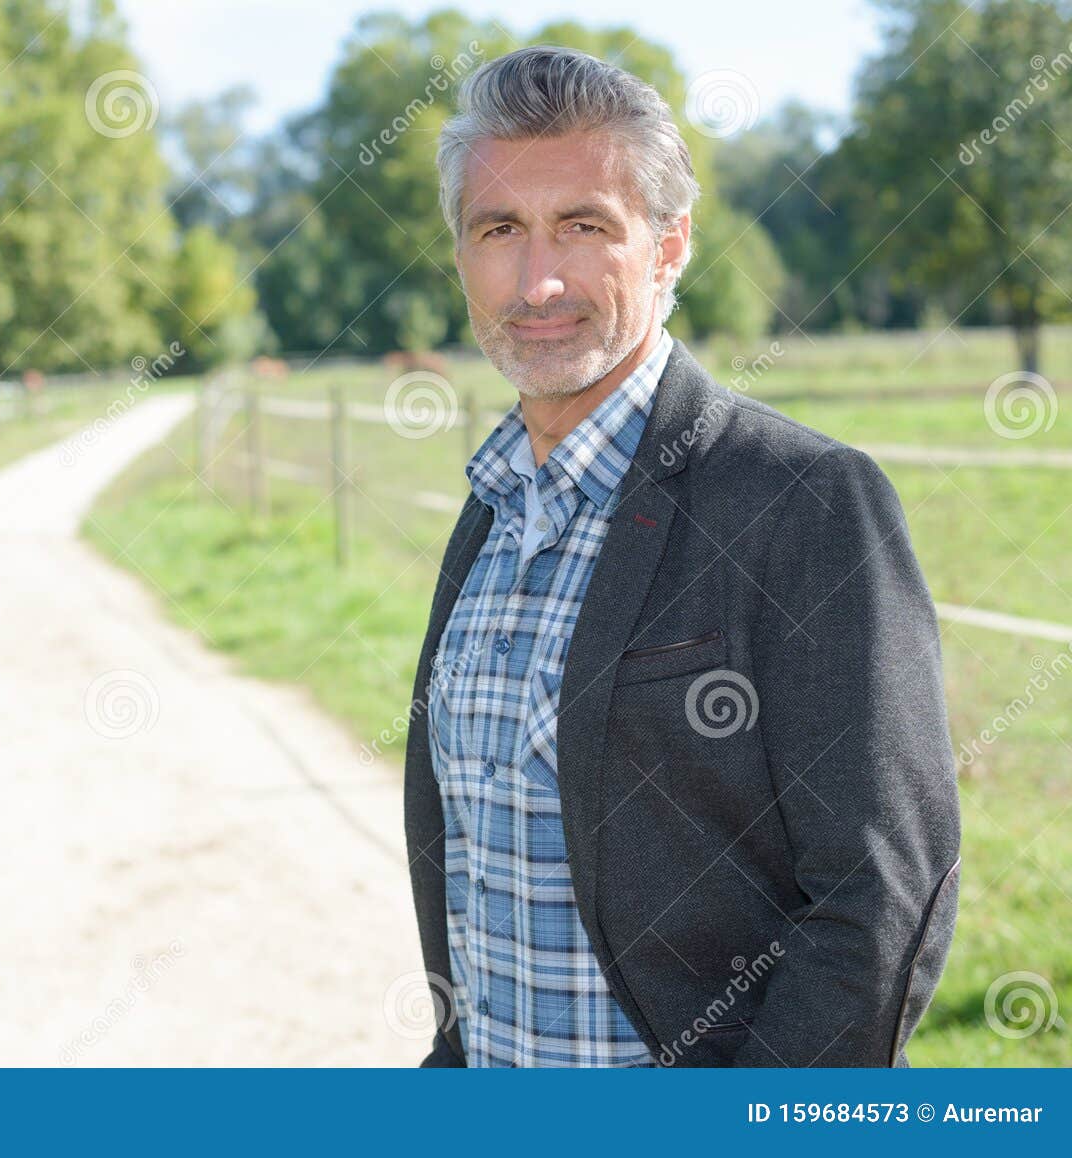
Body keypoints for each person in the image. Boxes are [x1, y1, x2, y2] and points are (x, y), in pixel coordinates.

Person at [402, 44, 961, 1068]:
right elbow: (478, 883)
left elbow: (880, 897)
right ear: (459, 255)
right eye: (499, 229)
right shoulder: (488, 512)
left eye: (584, 225)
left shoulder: (802, 503)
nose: (539, 280)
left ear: (668, 246)